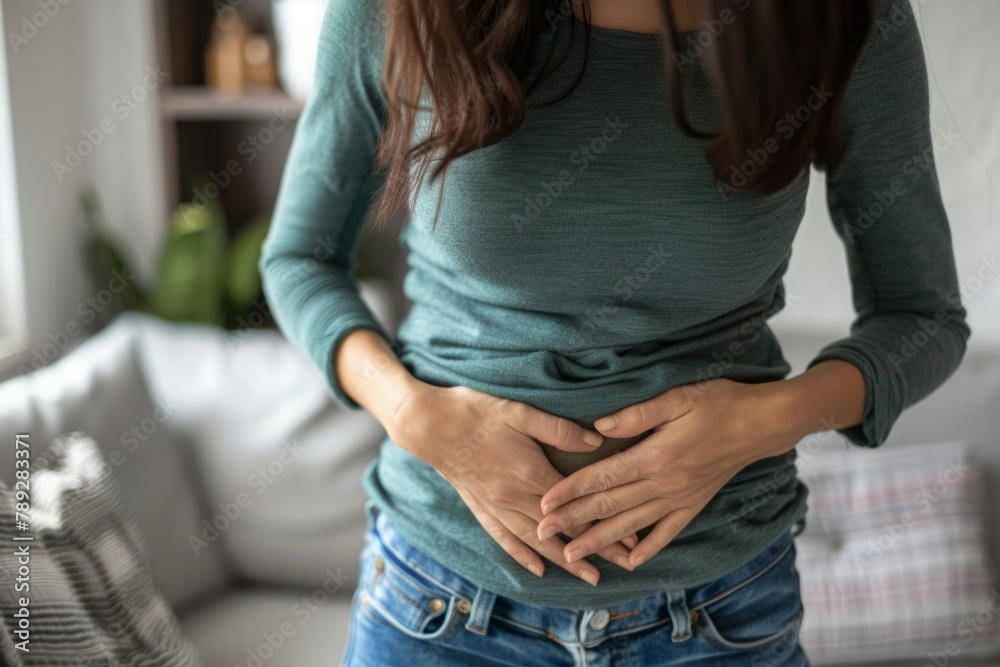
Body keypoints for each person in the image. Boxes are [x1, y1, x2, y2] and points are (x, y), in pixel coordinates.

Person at [259, 0, 971, 664]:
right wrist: (412, 413)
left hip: (722, 614)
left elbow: (924, 318)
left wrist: (763, 421)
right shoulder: (399, 10)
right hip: (438, 605)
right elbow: (298, 259)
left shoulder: (838, 15)